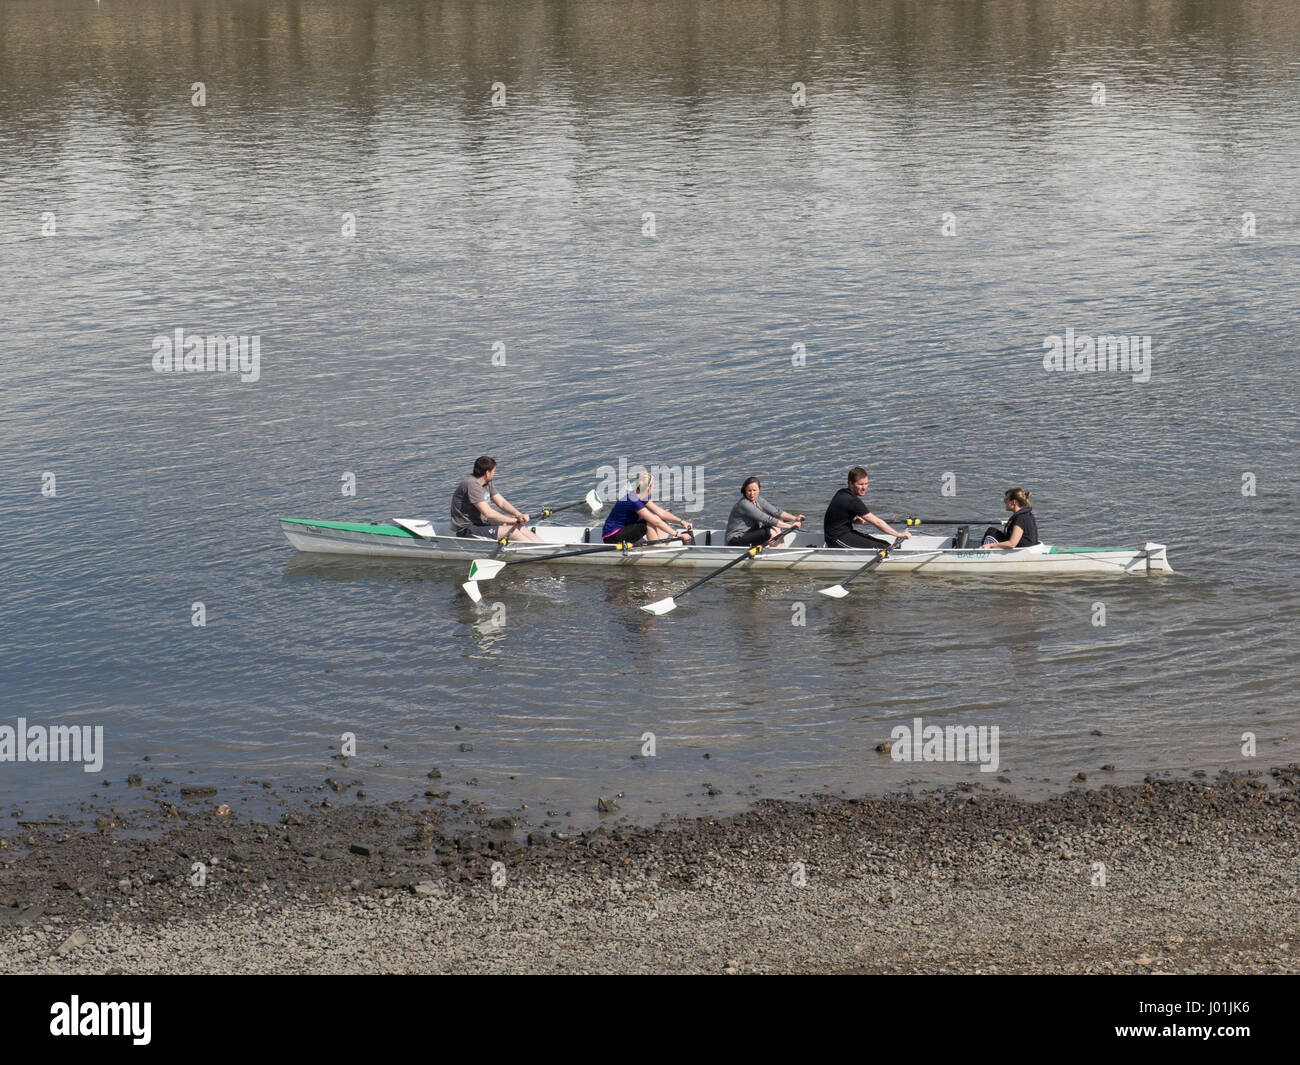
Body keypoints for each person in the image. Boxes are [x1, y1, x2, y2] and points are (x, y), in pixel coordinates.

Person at [449, 456, 542, 542]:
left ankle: (544, 547)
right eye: (494, 471)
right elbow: (488, 513)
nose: (494, 474)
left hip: (481, 523)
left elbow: (501, 502)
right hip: (467, 529)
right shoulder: (471, 484)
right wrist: (512, 520)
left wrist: (518, 515)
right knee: (511, 531)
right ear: (487, 472)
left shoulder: (486, 482)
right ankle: (539, 552)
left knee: (518, 526)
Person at [823, 466, 912, 549]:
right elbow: (877, 522)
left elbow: (838, 515)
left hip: (845, 533)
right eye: (861, 484)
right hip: (837, 540)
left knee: (886, 545)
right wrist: (898, 534)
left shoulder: (842, 492)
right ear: (850, 483)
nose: (864, 487)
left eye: (866, 484)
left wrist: (853, 519)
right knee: (886, 548)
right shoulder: (852, 501)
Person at [601, 471, 694, 544]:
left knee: (656, 517)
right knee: (649, 522)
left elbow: (662, 513)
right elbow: (655, 522)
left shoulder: (641, 496)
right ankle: (657, 549)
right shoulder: (633, 500)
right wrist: (678, 535)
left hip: (624, 530)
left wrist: (681, 521)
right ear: (649, 487)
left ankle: (661, 546)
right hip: (612, 537)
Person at [725, 477, 804, 546]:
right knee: (770, 531)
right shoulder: (744, 504)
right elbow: (767, 519)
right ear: (744, 491)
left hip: (749, 534)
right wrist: (790, 526)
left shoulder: (758, 499)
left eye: (754, 490)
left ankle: (780, 551)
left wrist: (795, 518)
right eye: (749, 490)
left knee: (776, 527)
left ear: (759, 490)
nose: (752, 494)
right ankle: (779, 556)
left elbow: (776, 512)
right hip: (735, 540)